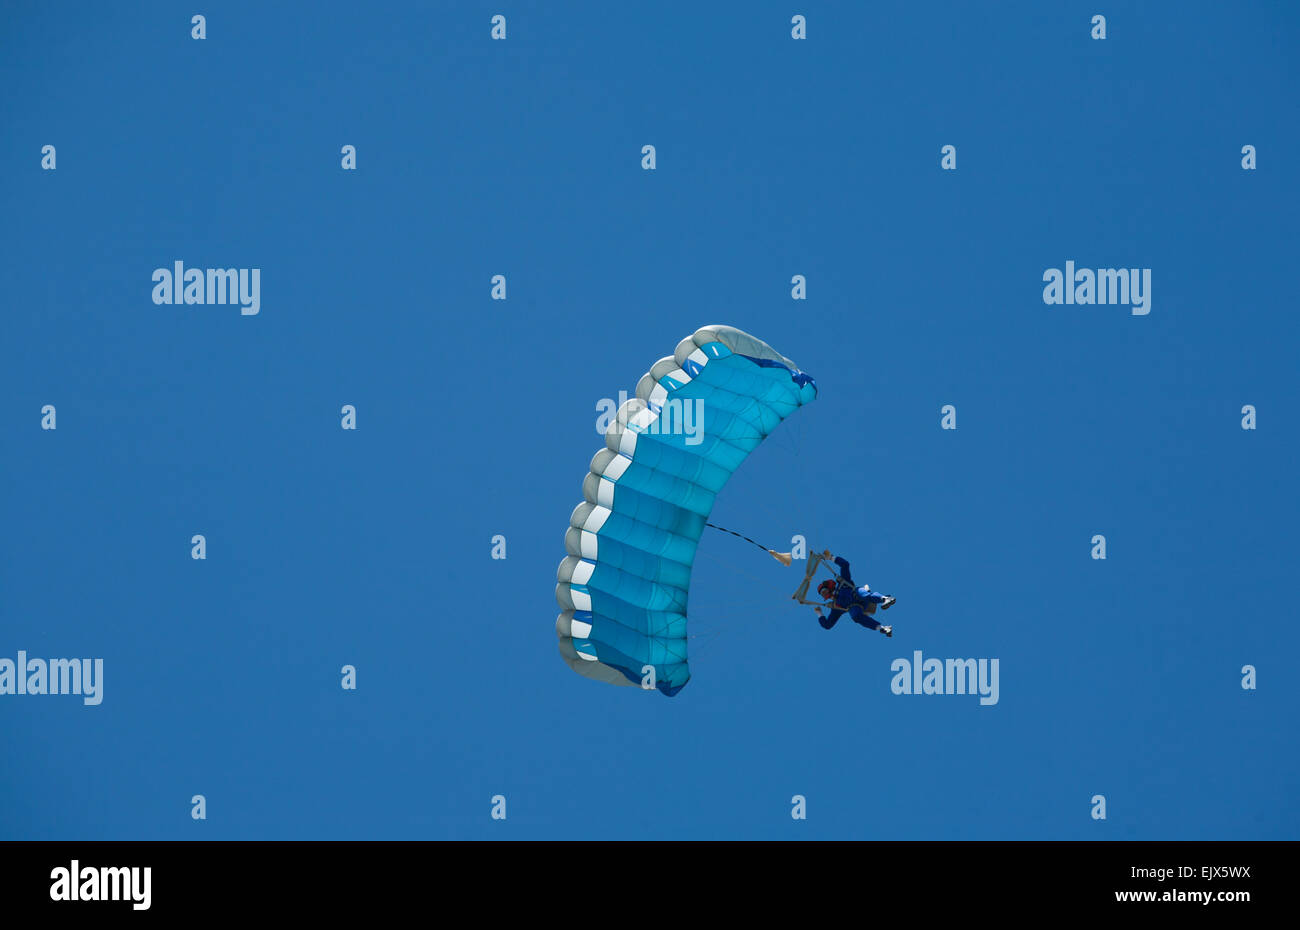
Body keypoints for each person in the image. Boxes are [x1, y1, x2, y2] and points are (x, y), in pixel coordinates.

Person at [813, 550, 896, 636]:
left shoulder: (843, 583)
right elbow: (827, 625)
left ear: (829, 588)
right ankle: (882, 628)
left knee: (863, 594)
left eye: (824, 591)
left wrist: (831, 557)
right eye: (822, 594)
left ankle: (885, 599)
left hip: (858, 595)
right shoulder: (835, 606)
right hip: (856, 607)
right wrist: (819, 613)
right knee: (855, 616)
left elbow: (845, 564)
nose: (824, 594)